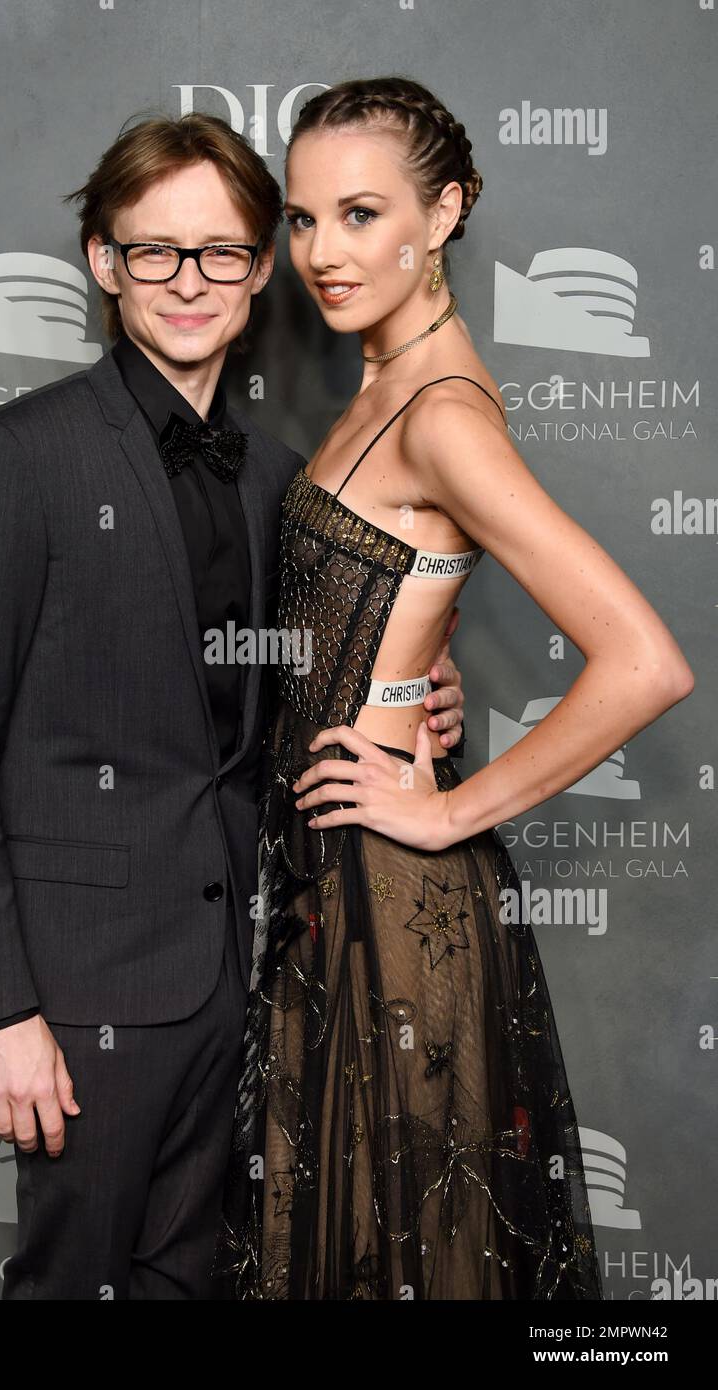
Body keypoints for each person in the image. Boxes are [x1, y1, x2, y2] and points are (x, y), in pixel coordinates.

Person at [0, 110, 468, 1300]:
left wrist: (408, 693)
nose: (187, 281)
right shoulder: (16, 457)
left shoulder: (273, 476)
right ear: (104, 264)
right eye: (152, 251)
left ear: (261, 270)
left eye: (220, 252)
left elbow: (279, 696)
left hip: (250, 971)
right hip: (78, 991)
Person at [212, 76, 695, 1301]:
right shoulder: (380, 384)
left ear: (444, 211)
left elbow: (643, 661)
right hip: (331, 880)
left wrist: (440, 809)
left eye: (361, 214)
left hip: (397, 891)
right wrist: (420, 669)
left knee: (409, 1260)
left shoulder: (440, 414)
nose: (321, 253)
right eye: (305, 219)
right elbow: (389, 596)